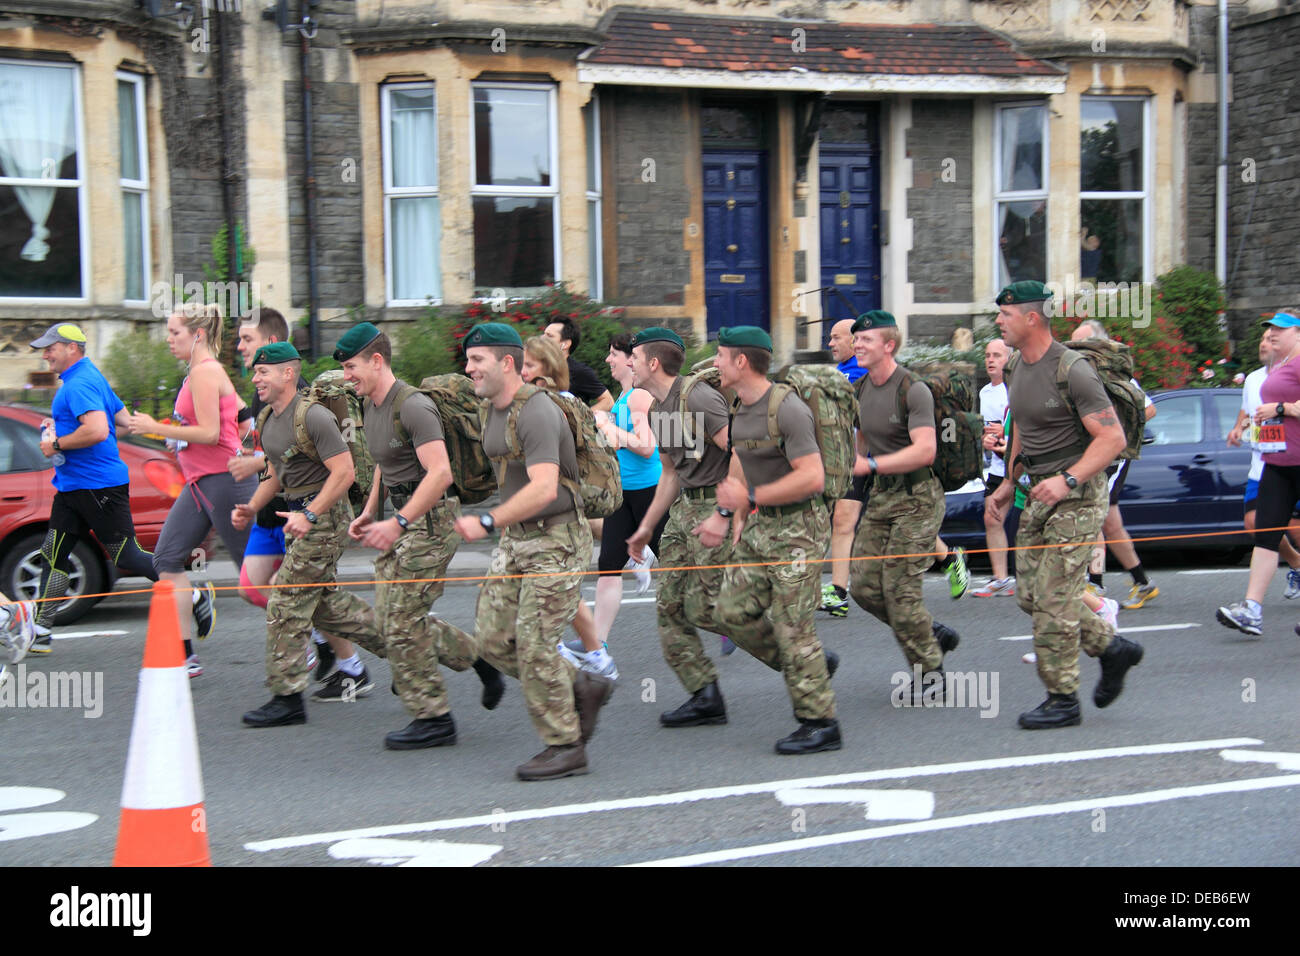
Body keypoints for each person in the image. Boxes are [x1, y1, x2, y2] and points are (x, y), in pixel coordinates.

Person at [454, 323, 614, 781]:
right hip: (517, 539)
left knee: (537, 643)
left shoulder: (539, 412)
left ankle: (565, 746)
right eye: (467, 360)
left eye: (477, 359)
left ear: (507, 363)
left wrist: (487, 520)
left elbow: (544, 487)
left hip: (557, 539)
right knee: (492, 639)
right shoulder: (491, 409)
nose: (469, 368)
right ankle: (581, 685)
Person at [336, 322, 503, 748]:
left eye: (352, 366)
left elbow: (441, 472)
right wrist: (372, 509)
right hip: (405, 518)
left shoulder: (412, 406)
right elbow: (383, 461)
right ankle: (478, 659)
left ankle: (434, 719)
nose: (346, 376)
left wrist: (398, 522)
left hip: (430, 522)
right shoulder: (371, 405)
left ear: (377, 361)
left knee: (401, 619)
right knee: (396, 618)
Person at [988, 281, 1144, 728]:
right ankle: (1113, 649)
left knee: (1055, 599)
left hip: (1077, 493)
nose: (999, 322)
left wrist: (1068, 478)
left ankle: (1062, 699)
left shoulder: (1072, 369)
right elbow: (1022, 429)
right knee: (1031, 595)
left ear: (1032, 318)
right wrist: (1006, 483)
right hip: (1037, 489)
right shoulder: (1017, 366)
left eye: (1006, 314)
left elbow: (1111, 438)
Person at [29, 323, 213, 658]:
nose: (45, 354)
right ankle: (41, 631)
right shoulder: (89, 377)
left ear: (71, 348)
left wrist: (56, 442)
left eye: (50, 347)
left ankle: (193, 592)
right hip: (74, 487)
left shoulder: (80, 383)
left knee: (126, 555)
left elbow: (99, 430)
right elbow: (124, 420)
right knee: (53, 554)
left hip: (97, 488)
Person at [233, 342, 386, 726]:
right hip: (299, 516)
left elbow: (345, 472)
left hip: (326, 517)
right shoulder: (268, 418)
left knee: (285, 599)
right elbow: (275, 473)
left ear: (288, 373)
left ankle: (287, 697)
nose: (256, 378)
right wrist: (251, 507)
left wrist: (311, 514)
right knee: (326, 608)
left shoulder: (313, 416)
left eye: (263, 372)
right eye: (255, 372)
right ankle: (417, 642)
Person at [710, 325, 841, 754]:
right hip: (763, 525)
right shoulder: (738, 405)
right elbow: (740, 461)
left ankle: (820, 722)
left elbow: (813, 477)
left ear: (741, 362)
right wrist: (726, 513)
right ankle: (811, 668)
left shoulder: (788, 410)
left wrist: (750, 497)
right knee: (729, 611)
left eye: (721, 356)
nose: (715, 363)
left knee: (792, 625)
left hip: (800, 528)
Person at [627, 328, 766, 726]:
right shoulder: (659, 407)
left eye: (633, 357)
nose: (628, 364)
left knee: (710, 608)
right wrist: (645, 528)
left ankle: (797, 654)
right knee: (669, 607)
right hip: (684, 512)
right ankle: (705, 695)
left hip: (712, 508)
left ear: (653, 363)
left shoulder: (697, 397)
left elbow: (739, 450)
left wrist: (729, 514)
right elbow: (671, 473)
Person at [125, 305, 258, 676]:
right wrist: (178, 439)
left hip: (226, 484)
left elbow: (212, 434)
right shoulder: (197, 374)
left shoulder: (204, 373)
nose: (168, 340)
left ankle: (317, 637)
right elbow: (228, 423)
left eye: (174, 333)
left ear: (197, 334)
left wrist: (158, 427)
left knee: (256, 579)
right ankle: (184, 656)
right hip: (200, 484)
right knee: (166, 559)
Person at [230, 307, 352, 682]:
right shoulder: (261, 394)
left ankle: (346, 665)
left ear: (272, 345)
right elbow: (276, 457)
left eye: (246, 339)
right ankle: (328, 647)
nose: (239, 347)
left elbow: (317, 460)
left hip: (304, 511)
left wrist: (256, 464)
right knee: (256, 589)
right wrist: (251, 505)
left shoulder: (301, 399)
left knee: (302, 599)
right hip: (273, 509)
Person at [848, 310, 962, 700]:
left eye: (866, 340)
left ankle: (931, 673)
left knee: (900, 589)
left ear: (889, 345)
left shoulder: (912, 389)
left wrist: (872, 464)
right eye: (856, 339)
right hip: (882, 495)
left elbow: (925, 451)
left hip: (917, 499)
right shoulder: (861, 388)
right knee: (862, 586)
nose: (857, 344)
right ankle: (928, 633)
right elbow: (860, 446)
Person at [558, 333, 666, 681]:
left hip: (649, 492)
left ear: (630, 361)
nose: (609, 361)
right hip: (624, 493)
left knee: (684, 564)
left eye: (615, 355)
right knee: (607, 565)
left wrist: (611, 431)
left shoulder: (638, 397)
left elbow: (647, 447)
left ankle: (728, 614)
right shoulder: (623, 396)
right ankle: (597, 646)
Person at [1065, 321, 1158, 608]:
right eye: (1072, 343)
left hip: (1113, 456)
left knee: (1095, 513)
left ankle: (1095, 584)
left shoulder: (1115, 374)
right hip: (1092, 453)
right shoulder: (1080, 373)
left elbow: (1149, 408)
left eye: (1081, 343)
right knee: (1111, 523)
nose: (1074, 349)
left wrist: (1115, 431)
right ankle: (1142, 583)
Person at [1218, 312, 1300, 635]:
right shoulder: (1275, 369)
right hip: (1277, 464)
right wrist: (1249, 426)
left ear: (1297, 333)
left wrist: (1281, 409)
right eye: (1269, 330)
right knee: (1265, 533)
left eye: (1279, 329)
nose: (1272, 334)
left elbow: (1284, 409)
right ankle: (1251, 610)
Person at [819, 318, 868, 618]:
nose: (830, 343)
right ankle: (838, 592)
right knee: (841, 522)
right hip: (848, 460)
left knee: (898, 519)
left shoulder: (860, 373)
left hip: (875, 459)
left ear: (855, 340)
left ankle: (947, 558)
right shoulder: (840, 372)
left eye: (836, 338)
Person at [973, 337, 1017, 597]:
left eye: (997, 355)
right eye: (988, 355)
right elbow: (985, 427)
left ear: (1009, 359)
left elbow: (1026, 427)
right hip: (998, 467)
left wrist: (1006, 435)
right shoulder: (984, 392)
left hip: (1021, 465)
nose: (990, 360)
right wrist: (986, 439)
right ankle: (1000, 578)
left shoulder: (1016, 389)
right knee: (991, 516)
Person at [543, 318, 614, 411]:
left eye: (549, 336)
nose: (542, 338)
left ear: (565, 344)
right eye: (543, 334)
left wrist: (580, 420)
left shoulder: (579, 371)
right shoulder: (537, 368)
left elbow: (608, 401)